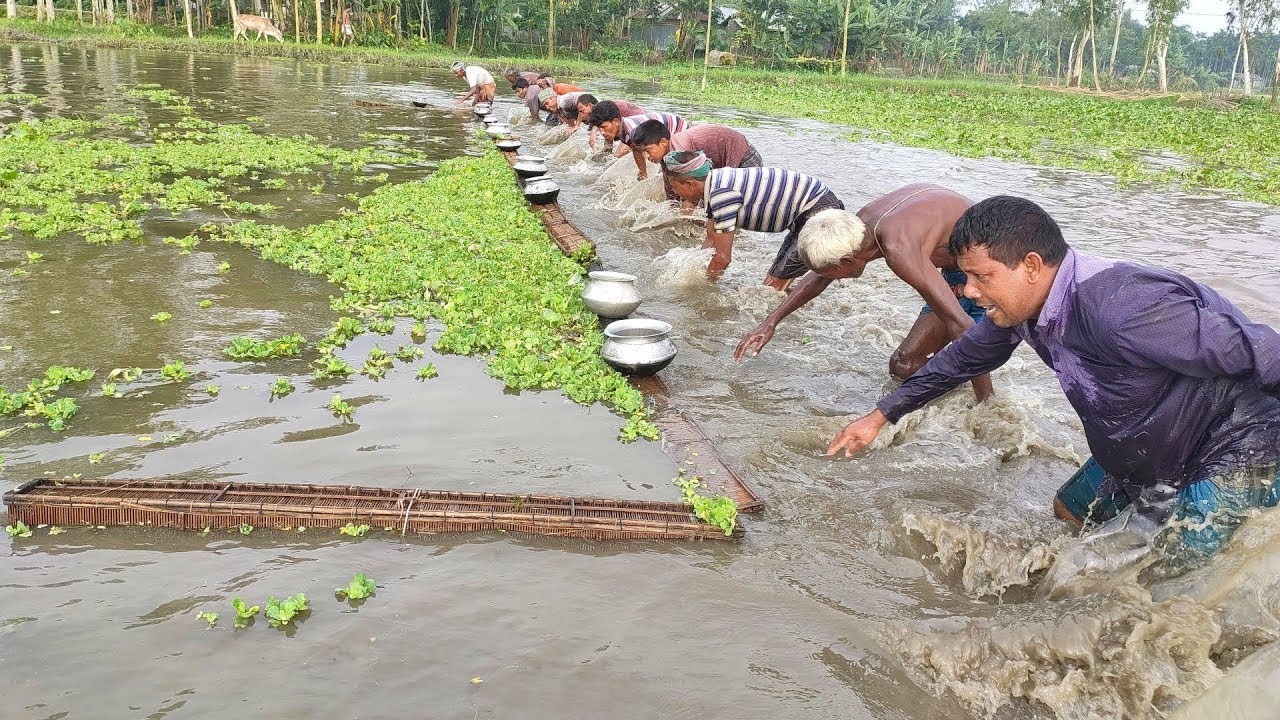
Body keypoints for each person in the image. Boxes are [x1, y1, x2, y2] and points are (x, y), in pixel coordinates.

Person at [826, 196, 1280, 575]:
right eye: (965, 276)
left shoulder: (1123, 307)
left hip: (1233, 447)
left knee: (1167, 578)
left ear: (1031, 265)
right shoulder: (1023, 309)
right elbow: (962, 358)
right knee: (1070, 512)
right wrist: (881, 415)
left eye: (982, 276)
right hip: (1152, 443)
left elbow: (1260, 351)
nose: (969, 291)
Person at [735, 184, 992, 400]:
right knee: (905, 366)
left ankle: (985, 397)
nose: (829, 279)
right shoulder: (857, 226)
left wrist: (987, 408)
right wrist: (770, 322)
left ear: (847, 261)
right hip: (961, 255)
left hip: (989, 265)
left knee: (922, 355)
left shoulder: (899, 250)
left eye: (830, 273)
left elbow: (961, 326)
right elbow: (818, 277)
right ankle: (959, 381)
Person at [663, 150, 843, 290]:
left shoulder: (721, 195)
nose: (676, 194)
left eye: (675, 187)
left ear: (690, 184)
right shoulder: (715, 183)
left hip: (818, 214)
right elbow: (711, 241)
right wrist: (694, 272)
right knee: (774, 283)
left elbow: (723, 258)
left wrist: (701, 289)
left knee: (772, 288)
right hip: (806, 213)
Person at [628, 120, 763, 205]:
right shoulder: (668, 157)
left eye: (648, 150)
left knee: (733, 206)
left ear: (663, 142)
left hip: (742, 156)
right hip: (719, 159)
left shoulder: (681, 152)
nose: (646, 156)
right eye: (642, 152)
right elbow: (672, 193)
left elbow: (692, 194)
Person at [588, 103, 691, 180]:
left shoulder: (631, 130)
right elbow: (636, 150)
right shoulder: (624, 130)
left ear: (615, 122)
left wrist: (644, 173)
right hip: (666, 127)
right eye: (599, 128)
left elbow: (637, 149)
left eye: (604, 127)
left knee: (673, 169)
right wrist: (643, 173)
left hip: (678, 129)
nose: (602, 132)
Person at [570, 94, 646, 149]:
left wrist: (593, 135)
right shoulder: (599, 114)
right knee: (608, 135)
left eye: (582, 111)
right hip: (625, 123)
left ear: (590, 105)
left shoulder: (607, 109)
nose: (581, 115)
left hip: (638, 121)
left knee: (623, 150)